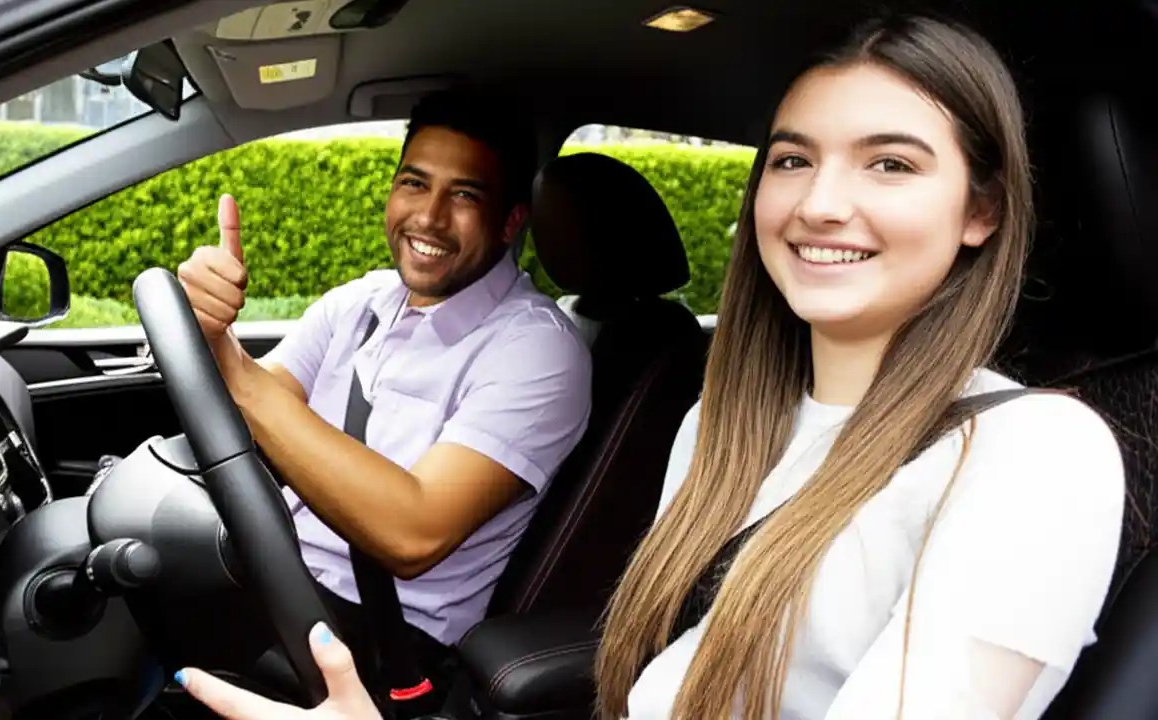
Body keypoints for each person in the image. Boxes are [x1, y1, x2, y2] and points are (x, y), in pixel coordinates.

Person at [170, 13, 1125, 720]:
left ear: (981, 212)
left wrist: (238, 377)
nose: (824, 203)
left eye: (891, 165)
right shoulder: (723, 429)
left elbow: (411, 530)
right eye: (792, 161)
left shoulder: (1031, 457)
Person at [176, 88, 593, 690]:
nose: (428, 217)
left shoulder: (538, 349)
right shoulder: (360, 302)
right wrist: (211, 332)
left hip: (381, 643)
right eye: (415, 184)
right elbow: (256, 409)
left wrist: (236, 373)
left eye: (465, 195)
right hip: (275, 572)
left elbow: (413, 531)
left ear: (510, 222)